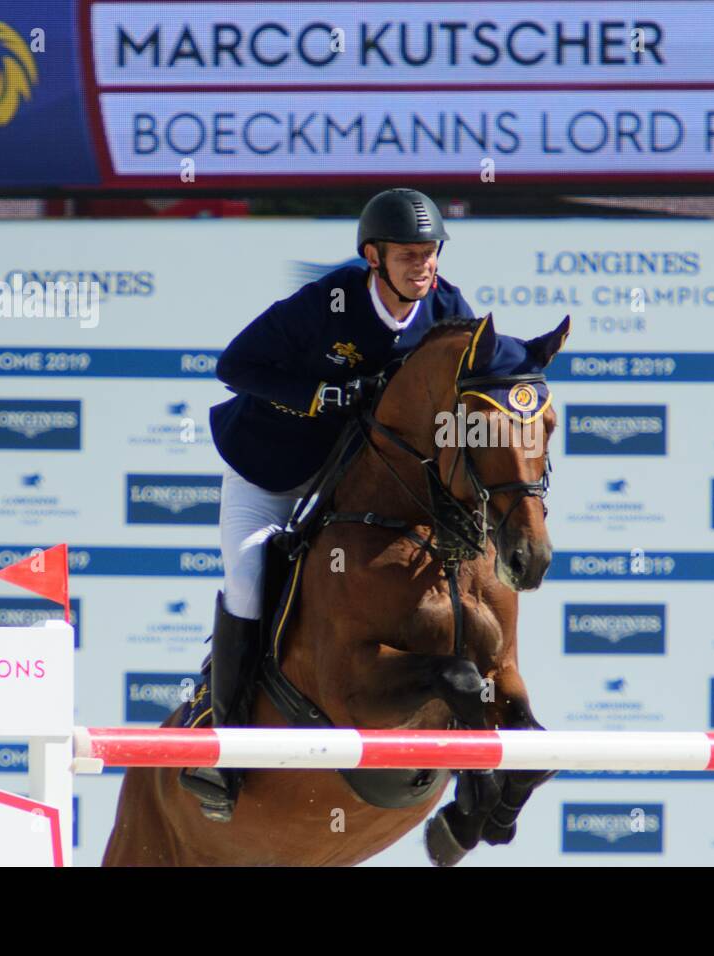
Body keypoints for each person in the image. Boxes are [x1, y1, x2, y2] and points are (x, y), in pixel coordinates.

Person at [180, 188, 475, 819]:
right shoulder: (330, 301)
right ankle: (220, 735)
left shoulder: (447, 308)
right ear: (373, 256)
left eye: (430, 254)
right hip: (272, 474)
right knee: (251, 576)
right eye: (408, 256)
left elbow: (478, 376)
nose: (423, 267)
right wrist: (320, 395)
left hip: (349, 486)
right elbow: (236, 365)